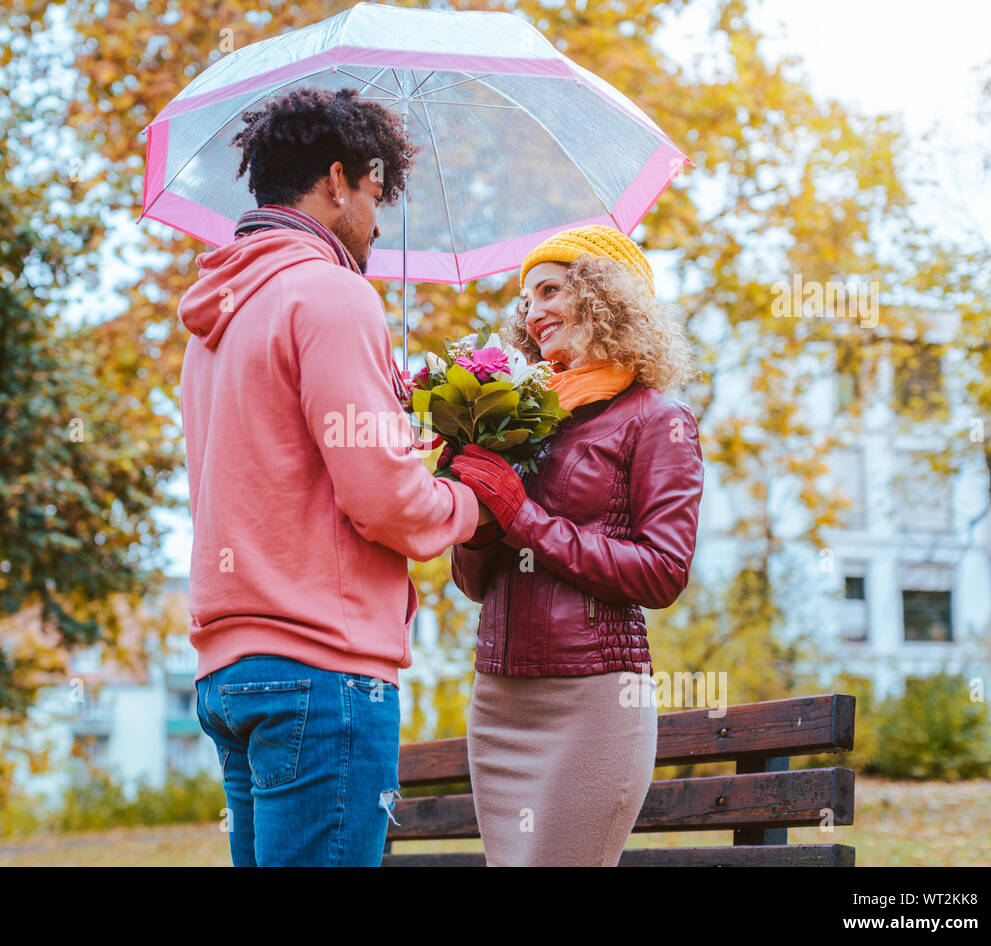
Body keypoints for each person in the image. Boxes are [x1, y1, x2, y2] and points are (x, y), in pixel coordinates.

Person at [177, 87, 490, 867]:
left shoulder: (217, 315)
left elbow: (285, 475)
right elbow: (386, 503)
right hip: (323, 671)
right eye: (379, 193)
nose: (379, 222)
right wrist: (473, 500)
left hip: (232, 671)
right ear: (340, 178)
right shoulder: (332, 293)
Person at [448, 224, 705, 866]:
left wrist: (523, 517)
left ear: (605, 298)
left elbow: (662, 572)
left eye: (550, 290)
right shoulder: (522, 419)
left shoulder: (657, 419)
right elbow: (474, 582)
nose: (532, 313)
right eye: (525, 301)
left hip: (593, 697)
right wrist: (476, 505)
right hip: (499, 701)